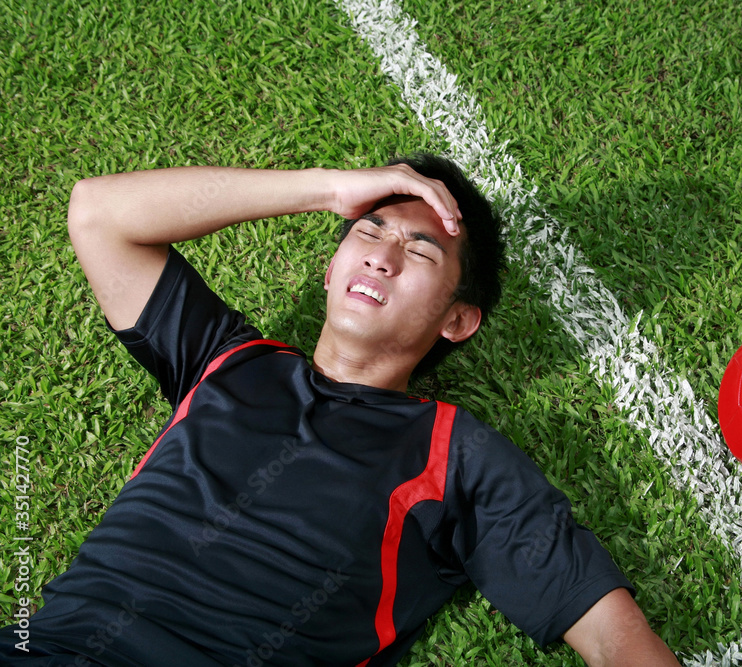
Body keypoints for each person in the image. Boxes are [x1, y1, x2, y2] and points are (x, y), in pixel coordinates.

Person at [1, 155, 681, 666]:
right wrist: (329, 188)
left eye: (420, 249)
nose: (383, 255)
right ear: (331, 269)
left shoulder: (455, 455)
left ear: (458, 320)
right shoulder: (226, 358)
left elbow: (611, 633)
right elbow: (98, 212)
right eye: (369, 230)